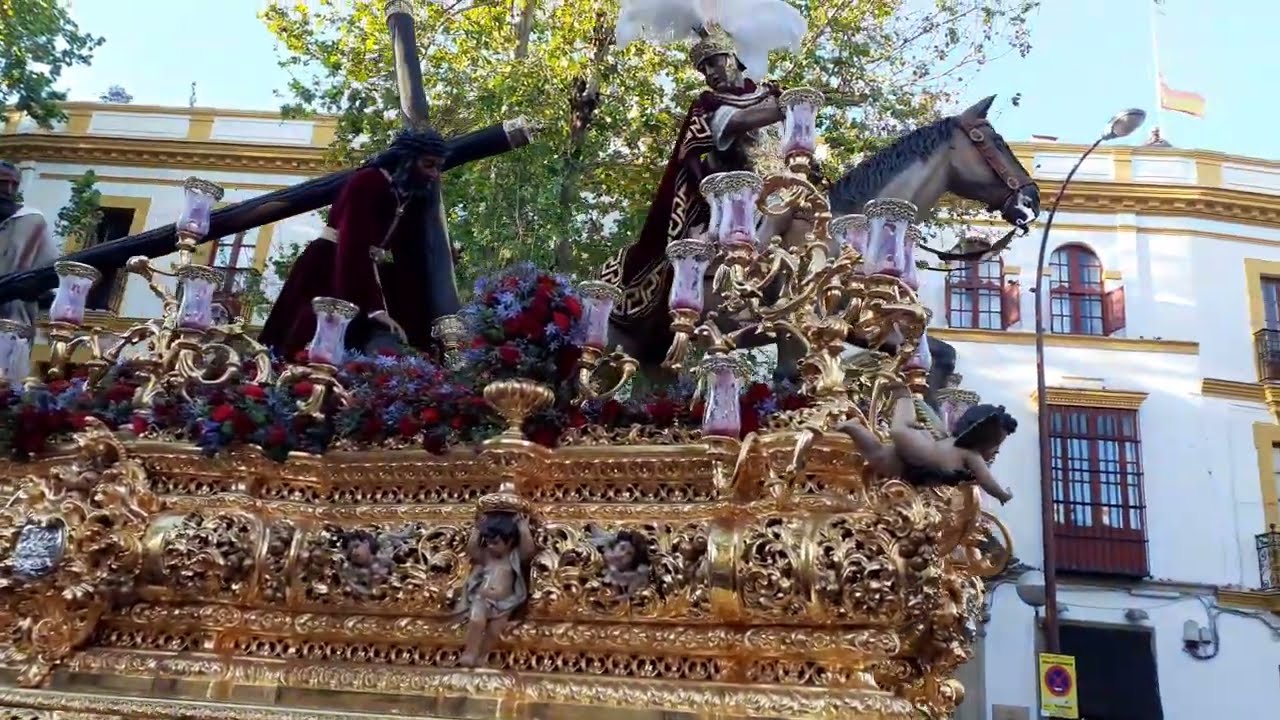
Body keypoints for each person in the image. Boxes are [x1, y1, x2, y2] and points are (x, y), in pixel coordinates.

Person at [599, 26, 787, 360]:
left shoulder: (770, 96)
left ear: (734, 58)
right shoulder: (712, 106)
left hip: (785, 190)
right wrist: (790, 107)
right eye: (703, 68)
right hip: (737, 203)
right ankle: (742, 279)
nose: (709, 73)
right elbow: (739, 122)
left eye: (714, 62)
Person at [259, 125, 516, 359]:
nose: (434, 174)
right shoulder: (367, 182)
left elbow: (407, 248)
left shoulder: (406, 194)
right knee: (311, 339)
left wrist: (441, 259)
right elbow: (353, 247)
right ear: (406, 159)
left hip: (364, 267)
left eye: (438, 167)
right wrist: (374, 309)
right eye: (428, 165)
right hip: (330, 266)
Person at [837, 386, 1017, 505]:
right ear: (983, 438)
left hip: (914, 466)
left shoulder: (960, 451)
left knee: (879, 457)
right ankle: (904, 396)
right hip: (920, 450)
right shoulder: (970, 455)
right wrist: (1002, 495)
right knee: (899, 429)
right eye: (996, 444)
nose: (997, 450)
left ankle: (853, 427)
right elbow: (987, 481)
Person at [0, 161, 59, 327]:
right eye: (2, 183)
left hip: (12, 324)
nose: (8, 190)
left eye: (14, 184)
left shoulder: (32, 221)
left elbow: (48, 273)